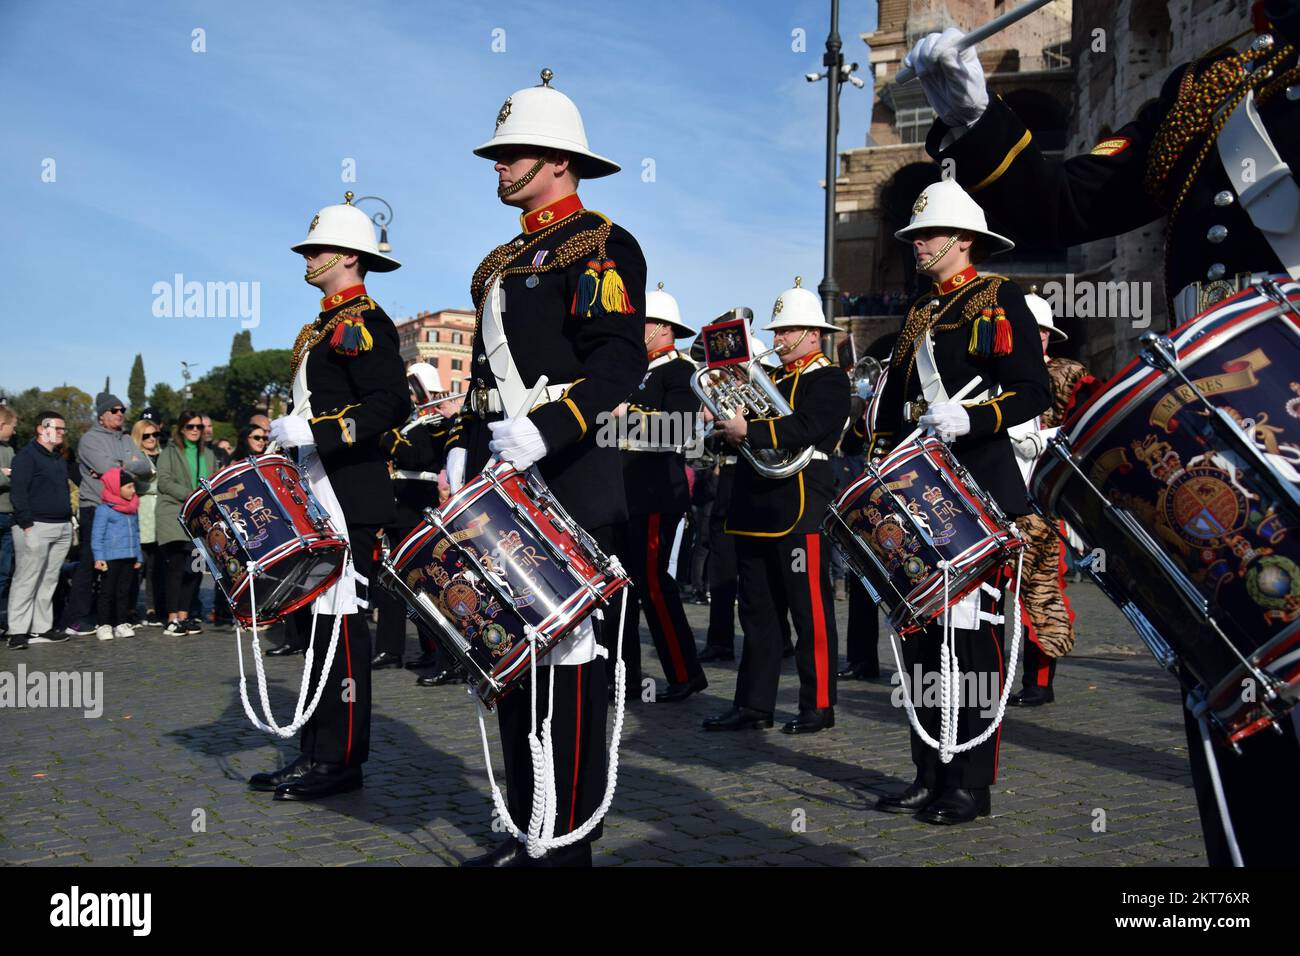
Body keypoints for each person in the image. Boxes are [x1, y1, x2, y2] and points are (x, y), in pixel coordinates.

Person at [903, 3, 1300, 861]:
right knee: (1243, 701)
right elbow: (1071, 200)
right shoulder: (1212, 86)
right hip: (1216, 438)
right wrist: (978, 120)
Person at [448, 69, 647, 867]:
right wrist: (463, 452)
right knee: (511, 664)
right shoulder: (500, 261)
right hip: (503, 487)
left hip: (569, 481)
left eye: (513, 155)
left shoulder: (600, 243)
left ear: (558, 161)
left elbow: (618, 363)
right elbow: (483, 380)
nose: (498, 168)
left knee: (567, 672)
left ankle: (566, 840)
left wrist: (549, 428)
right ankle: (532, 823)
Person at [868, 180, 1050, 824]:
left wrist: (975, 419)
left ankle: (970, 780)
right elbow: (889, 411)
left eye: (928, 235)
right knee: (921, 638)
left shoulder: (1001, 298)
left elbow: (1032, 390)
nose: (917, 245)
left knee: (969, 641)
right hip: (918, 493)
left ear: (963, 239)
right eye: (913, 236)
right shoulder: (919, 313)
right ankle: (928, 769)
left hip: (976, 493)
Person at [251, 191, 409, 802]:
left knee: (341, 628)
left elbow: (391, 404)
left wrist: (314, 430)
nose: (308, 255)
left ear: (347, 256)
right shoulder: (324, 325)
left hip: (346, 492)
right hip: (317, 485)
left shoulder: (363, 322)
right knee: (319, 627)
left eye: (317, 248)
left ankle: (341, 761)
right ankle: (317, 752)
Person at [703, 278, 849, 735]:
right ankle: (753, 704)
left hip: (799, 501)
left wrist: (751, 432)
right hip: (754, 505)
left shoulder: (829, 377)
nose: (778, 340)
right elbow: (737, 431)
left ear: (813, 333)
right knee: (758, 613)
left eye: (787, 332)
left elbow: (808, 426)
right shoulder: (770, 378)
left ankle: (818, 705)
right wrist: (722, 432)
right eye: (778, 331)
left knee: (809, 611)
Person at [616, 282, 708, 702]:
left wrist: (622, 416)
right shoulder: (635, 370)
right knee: (624, 591)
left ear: (662, 327)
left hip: (656, 492)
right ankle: (627, 677)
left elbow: (678, 429)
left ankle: (685, 673)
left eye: (644, 321)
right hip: (625, 493)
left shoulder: (680, 372)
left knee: (654, 585)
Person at [1006, 292, 1091, 707]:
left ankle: (1039, 682)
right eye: (1028, 329)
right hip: (993, 498)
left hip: (1040, 503)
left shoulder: (1068, 375)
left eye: (1041, 331)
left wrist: (1046, 438)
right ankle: (985, 679)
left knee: (1041, 593)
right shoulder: (996, 377)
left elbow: (1088, 428)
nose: (1034, 337)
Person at [372, 362, 452, 672]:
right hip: (396, 508)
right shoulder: (407, 423)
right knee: (391, 584)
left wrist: (385, 432)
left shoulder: (436, 422)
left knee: (423, 584)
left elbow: (414, 457)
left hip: (416, 507)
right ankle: (390, 648)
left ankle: (442, 654)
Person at [61, 393, 151, 636]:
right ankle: (76, 619)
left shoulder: (125, 438)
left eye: (122, 409)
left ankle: (117, 617)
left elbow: (145, 466)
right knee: (91, 562)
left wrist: (121, 467)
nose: (120, 413)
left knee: (123, 565)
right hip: (97, 507)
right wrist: (126, 466)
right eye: (114, 410)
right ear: (102, 415)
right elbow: (111, 472)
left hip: (126, 511)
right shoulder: (90, 440)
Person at [7, 412, 73, 648]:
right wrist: (26, 526)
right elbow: (19, 493)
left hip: (61, 526)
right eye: (59, 428)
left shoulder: (57, 458)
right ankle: (17, 631)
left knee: (49, 579)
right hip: (35, 526)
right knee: (26, 579)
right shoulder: (25, 457)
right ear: (41, 429)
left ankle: (41, 628)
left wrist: (69, 521)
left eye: (64, 429)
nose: (63, 433)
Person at [154, 412, 216, 636]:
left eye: (199, 426)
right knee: (176, 568)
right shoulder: (169, 452)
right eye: (190, 426)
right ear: (181, 428)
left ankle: (184, 615)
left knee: (195, 568)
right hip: (173, 512)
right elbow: (164, 482)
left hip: (197, 517)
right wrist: (191, 495)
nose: (195, 430)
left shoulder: (208, 454)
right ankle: (171, 618)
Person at [91, 468, 143, 641]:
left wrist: (138, 556)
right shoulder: (104, 509)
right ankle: (104, 624)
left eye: (133, 486)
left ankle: (121, 622)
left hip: (129, 556)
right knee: (107, 591)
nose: (133, 491)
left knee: (123, 591)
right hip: (110, 557)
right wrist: (98, 556)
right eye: (128, 487)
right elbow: (97, 535)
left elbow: (136, 533)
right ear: (116, 488)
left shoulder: (133, 508)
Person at [127, 420, 164, 628]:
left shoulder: (163, 455)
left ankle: (152, 608)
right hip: (141, 513)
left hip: (159, 514)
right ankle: (130, 608)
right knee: (137, 567)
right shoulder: (134, 457)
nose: (151, 439)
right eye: (146, 436)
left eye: (155, 435)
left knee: (155, 568)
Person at [0, 406, 16, 636]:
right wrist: (6, 474)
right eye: (12, 427)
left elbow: (18, 475)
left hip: (8, 514)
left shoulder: (9, 449)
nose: (14, 431)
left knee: (4, 573)